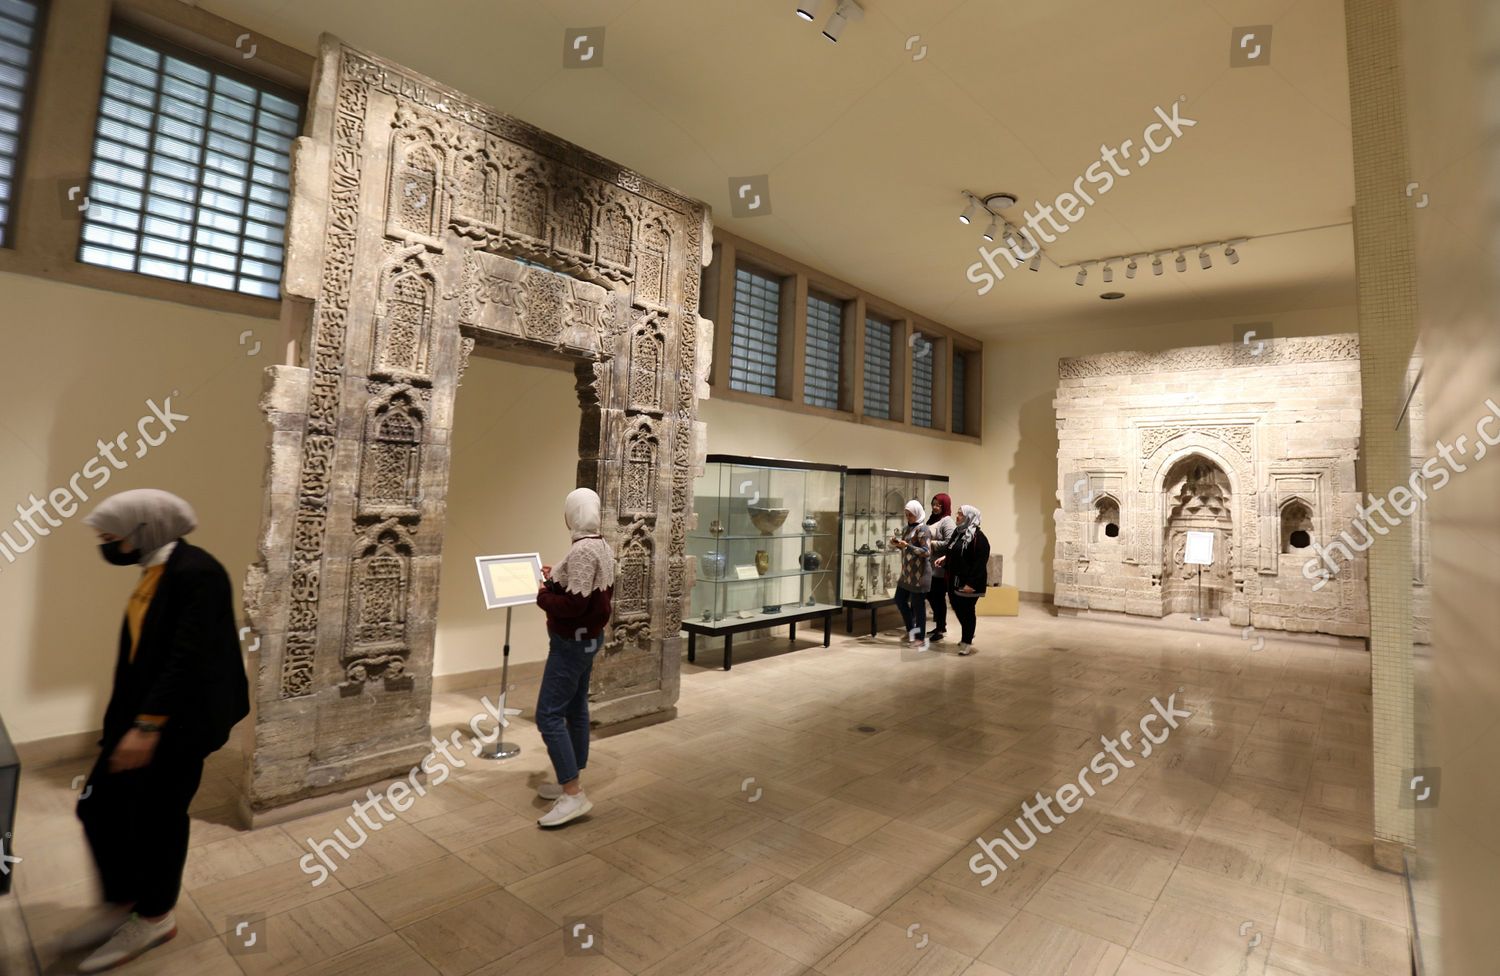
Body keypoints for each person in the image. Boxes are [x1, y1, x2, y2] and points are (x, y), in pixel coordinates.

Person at [69, 490, 249, 974]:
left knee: (158, 818)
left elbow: (186, 658)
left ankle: (153, 916)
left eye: (112, 531)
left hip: (180, 724)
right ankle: (121, 902)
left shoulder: (199, 572)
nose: (104, 540)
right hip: (141, 719)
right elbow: (141, 658)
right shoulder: (154, 568)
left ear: (144, 529)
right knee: (97, 807)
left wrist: (148, 726)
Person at [533, 487, 615, 828]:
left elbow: (575, 606)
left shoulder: (582, 550)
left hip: (571, 643)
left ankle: (573, 792)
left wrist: (542, 596)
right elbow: (585, 592)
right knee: (576, 707)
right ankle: (571, 776)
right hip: (588, 640)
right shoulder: (601, 544)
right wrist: (557, 580)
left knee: (548, 715)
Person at [936, 504, 990, 655]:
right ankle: (968, 632)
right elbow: (953, 549)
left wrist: (971, 584)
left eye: (960, 514)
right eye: (958, 513)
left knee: (967, 610)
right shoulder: (958, 532)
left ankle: (966, 641)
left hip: (970, 582)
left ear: (969, 518)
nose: (957, 516)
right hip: (955, 579)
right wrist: (945, 559)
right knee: (955, 606)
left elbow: (980, 563)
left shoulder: (978, 539)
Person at [890, 499, 933, 650]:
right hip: (907, 574)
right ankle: (911, 630)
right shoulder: (907, 528)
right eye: (906, 514)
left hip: (919, 576)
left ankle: (919, 638)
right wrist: (898, 545)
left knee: (918, 606)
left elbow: (926, 552)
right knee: (899, 600)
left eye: (911, 515)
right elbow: (907, 549)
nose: (908, 517)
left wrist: (907, 546)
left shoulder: (924, 530)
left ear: (917, 513)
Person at [924, 492, 956, 641]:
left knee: (938, 597)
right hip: (930, 565)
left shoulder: (947, 521)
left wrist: (934, 544)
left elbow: (951, 542)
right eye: (933, 504)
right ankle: (939, 625)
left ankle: (941, 628)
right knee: (931, 595)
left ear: (945, 506)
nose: (935, 507)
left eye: (938, 505)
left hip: (940, 567)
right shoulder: (932, 519)